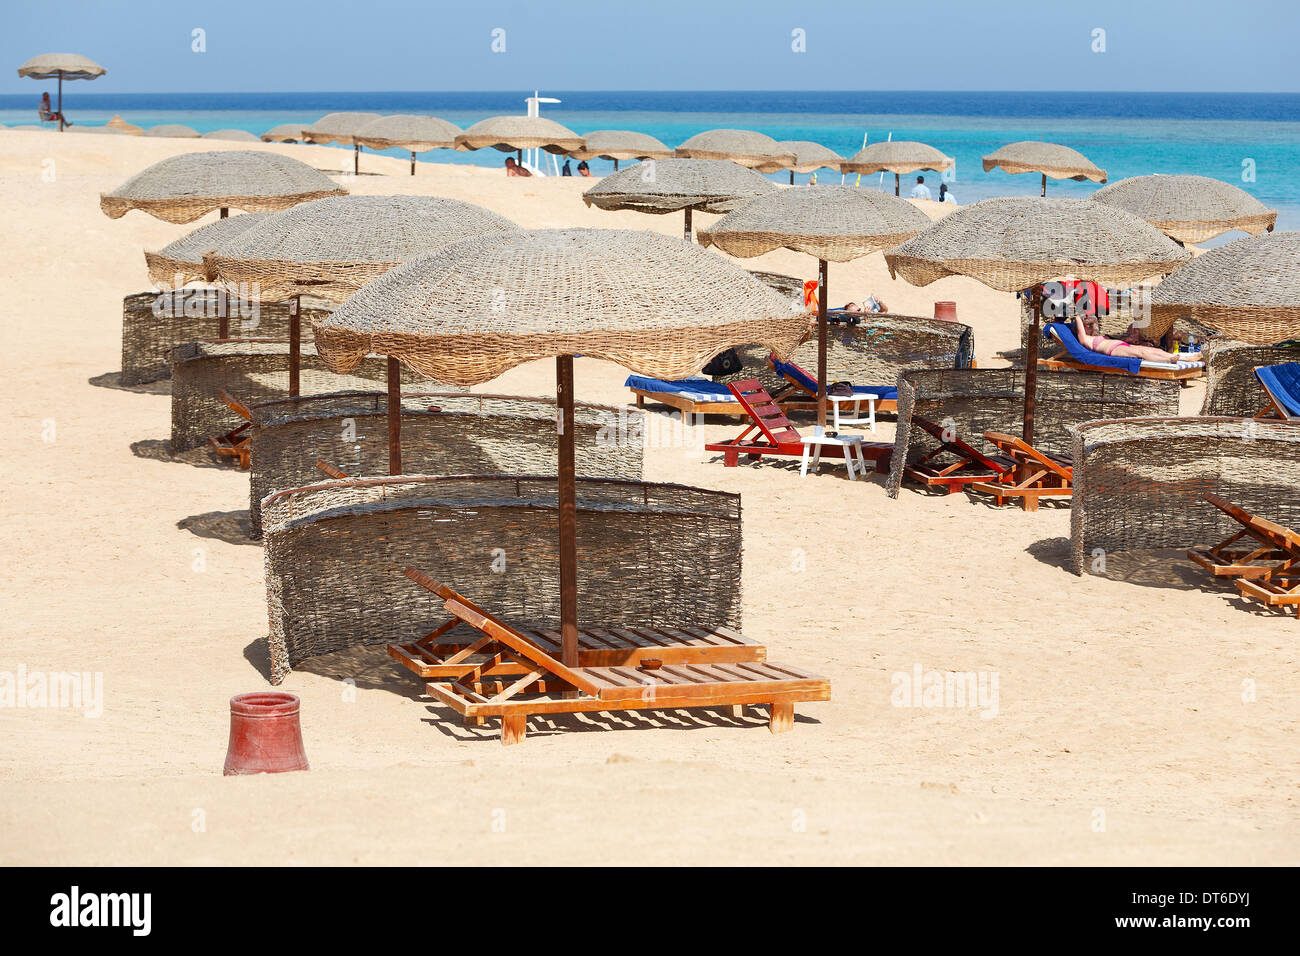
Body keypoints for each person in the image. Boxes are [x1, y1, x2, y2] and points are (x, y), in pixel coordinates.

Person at [1074, 313, 1186, 364]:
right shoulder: (1085, 340)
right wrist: (1077, 316)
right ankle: (1167, 360)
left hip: (1119, 345)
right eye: (1086, 327)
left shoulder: (1095, 335)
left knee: (1150, 350)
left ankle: (1177, 357)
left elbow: (1094, 321)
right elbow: (1079, 322)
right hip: (1113, 350)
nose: (1089, 327)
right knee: (1140, 353)